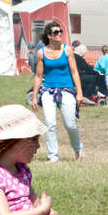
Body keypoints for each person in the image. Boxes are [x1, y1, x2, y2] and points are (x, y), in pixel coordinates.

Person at [29, 21, 85, 162]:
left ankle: (78, 150)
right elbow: (38, 76)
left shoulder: (67, 50)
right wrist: (35, 97)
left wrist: (79, 92)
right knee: (50, 123)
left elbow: (74, 72)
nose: (60, 34)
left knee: (70, 124)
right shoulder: (41, 53)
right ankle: (52, 156)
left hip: (66, 90)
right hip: (48, 90)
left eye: (60, 31)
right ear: (49, 35)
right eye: (56, 32)